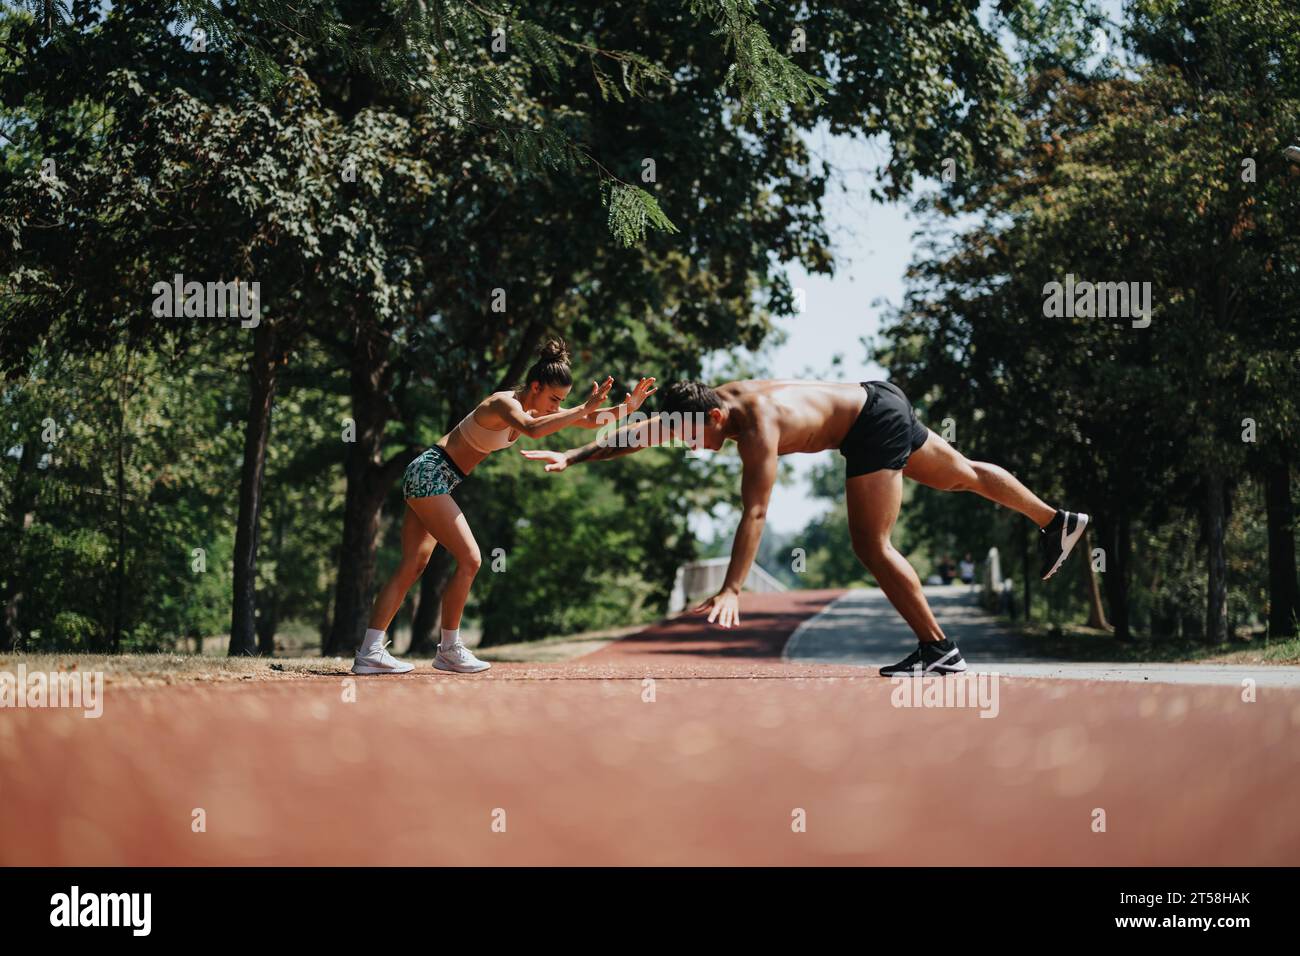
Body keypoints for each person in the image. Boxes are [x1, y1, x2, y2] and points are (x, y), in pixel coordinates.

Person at [523, 378, 1088, 676]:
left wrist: (732, 588)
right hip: (877, 397)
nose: (695, 445)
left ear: (715, 418)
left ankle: (939, 649)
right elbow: (639, 433)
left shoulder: (754, 426)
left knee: (870, 545)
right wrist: (573, 456)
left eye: (696, 436)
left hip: (868, 423)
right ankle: (1055, 521)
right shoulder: (705, 405)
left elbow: (756, 512)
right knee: (961, 476)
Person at [352, 339, 655, 675]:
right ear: (535, 386)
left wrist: (625, 410)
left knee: (412, 565)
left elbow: (584, 421)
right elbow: (534, 431)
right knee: (470, 559)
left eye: (562, 402)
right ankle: (449, 649)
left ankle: (370, 651)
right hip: (430, 472)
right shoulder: (504, 403)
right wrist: (582, 408)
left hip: (436, 476)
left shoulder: (538, 409)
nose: (557, 407)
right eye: (554, 399)